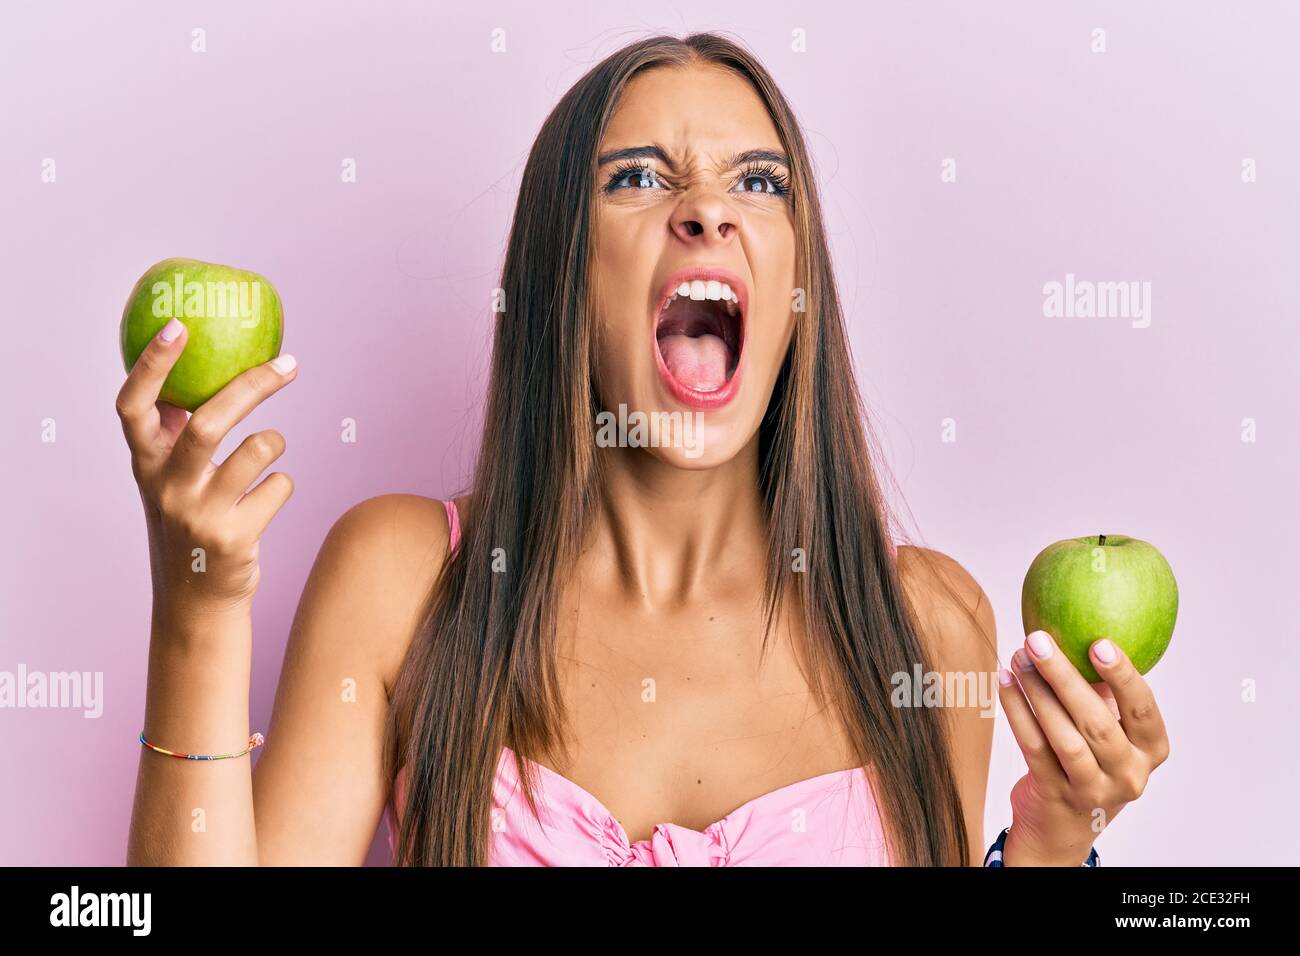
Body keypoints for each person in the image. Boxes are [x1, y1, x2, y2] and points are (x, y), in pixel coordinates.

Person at [121, 33, 1168, 867]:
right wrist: (200, 601)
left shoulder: (923, 624)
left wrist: (1051, 832)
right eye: (636, 177)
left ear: (796, 293)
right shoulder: (405, 576)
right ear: (563, 280)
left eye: (759, 182)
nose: (706, 207)